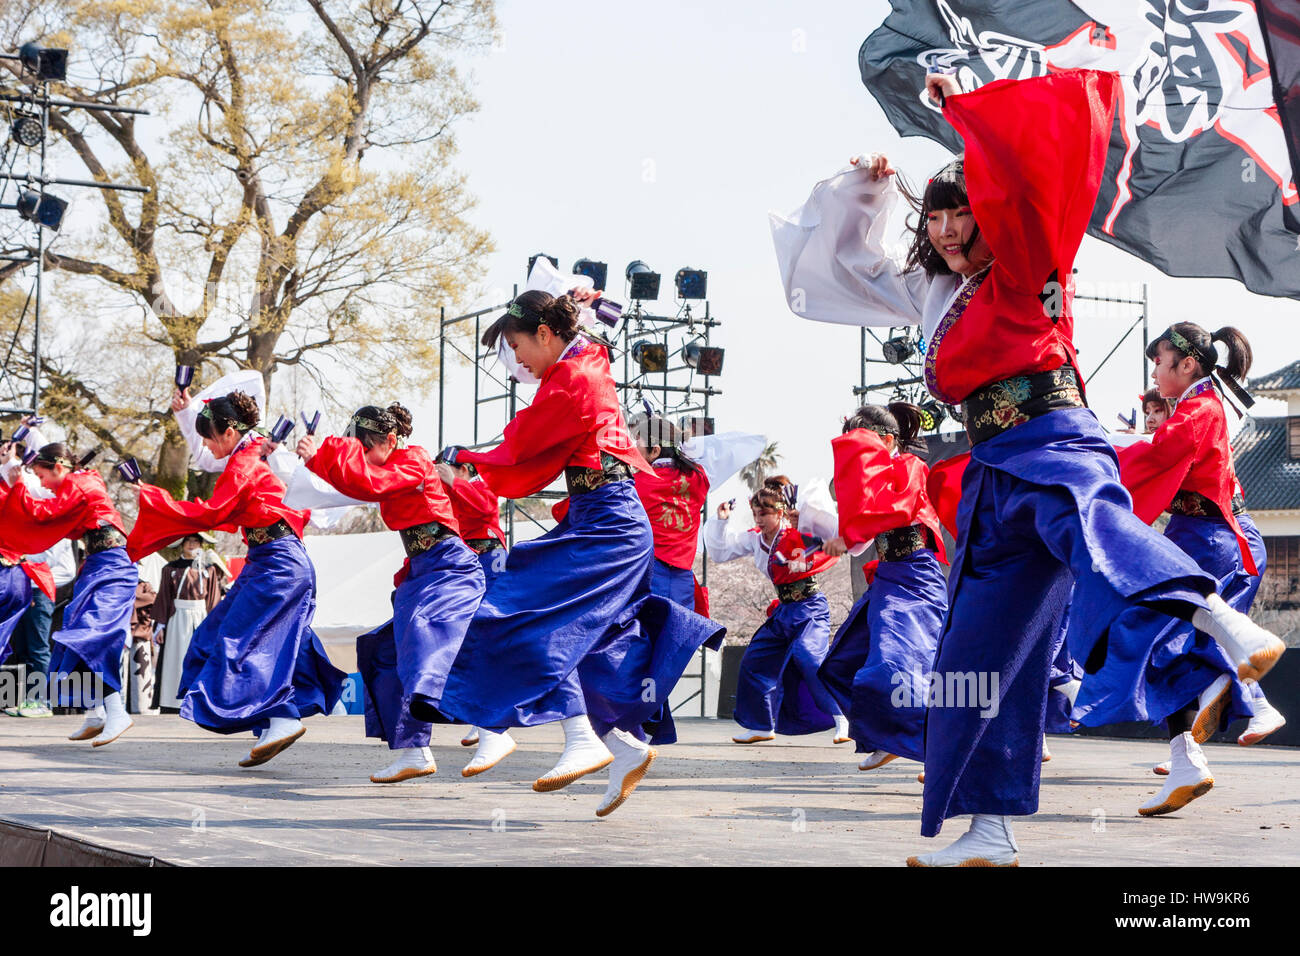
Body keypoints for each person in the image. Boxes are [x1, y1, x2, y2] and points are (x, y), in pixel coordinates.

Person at [771, 68, 1285, 866]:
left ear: (990, 212)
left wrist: (959, 118)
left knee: (1094, 531)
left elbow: (1030, 180)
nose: (947, 230)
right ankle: (991, 830)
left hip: (1053, 439)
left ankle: (1220, 618)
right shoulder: (938, 295)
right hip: (991, 474)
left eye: (962, 213)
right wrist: (869, 190)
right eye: (935, 217)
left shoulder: (1028, 263)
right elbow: (848, 268)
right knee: (973, 660)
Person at [436, 289, 724, 817]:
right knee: (591, 642)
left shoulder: (574, 378)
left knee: (516, 605)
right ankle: (620, 746)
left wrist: (469, 458)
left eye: (518, 344)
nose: (516, 360)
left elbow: (522, 444)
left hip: (608, 524)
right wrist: (581, 305)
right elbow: (575, 356)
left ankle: (527, 731)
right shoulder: (584, 361)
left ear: (545, 334)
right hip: (605, 520)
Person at [1075, 323, 1281, 810]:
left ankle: (1242, 710)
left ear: (1186, 364)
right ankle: (1190, 755)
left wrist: (1102, 451)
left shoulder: (1202, 407)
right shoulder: (1197, 406)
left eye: (1159, 361)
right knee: (1160, 649)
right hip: (1195, 536)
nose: (1154, 371)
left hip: (1208, 542)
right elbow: (1159, 450)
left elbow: (1161, 453)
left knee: (1149, 639)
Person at [126, 388, 346, 767]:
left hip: (278, 565)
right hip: (275, 561)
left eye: (209, 437)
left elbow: (213, 513)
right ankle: (272, 724)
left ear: (228, 432)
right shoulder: (257, 453)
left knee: (237, 642)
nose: (206, 447)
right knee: (218, 640)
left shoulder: (246, 461)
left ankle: (281, 719)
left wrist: (152, 497)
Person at [297, 403, 486, 784]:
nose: (363, 457)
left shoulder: (414, 460)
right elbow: (356, 482)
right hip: (421, 571)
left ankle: (495, 730)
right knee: (383, 652)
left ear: (390, 439)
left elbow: (369, 482)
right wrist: (317, 458)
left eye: (366, 448)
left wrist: (325, 451)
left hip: (449, 567)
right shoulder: (386, 466)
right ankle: (413, 750)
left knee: (431, 642)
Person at [815, 403, 948, 772]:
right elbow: (860, 532)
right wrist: (841, 534)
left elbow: (898, 511)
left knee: (893, 668)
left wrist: (850, 535)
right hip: (889, 577)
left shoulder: (910, 467)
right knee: (839, 667)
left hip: (915, 577)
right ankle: (886, 738)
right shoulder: (872, 478)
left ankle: (935, 748)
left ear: (888, 440)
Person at [628, 411, 766, 743]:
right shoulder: (699, 480)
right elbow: (724, 449)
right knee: (664, 656)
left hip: (651, 579)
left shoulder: (638, 483)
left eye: (638, 443)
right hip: (683, 586)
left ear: (656, 451)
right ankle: (648, 723)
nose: (632, 448)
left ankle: (642, 722)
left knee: (636, 652)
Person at [0, 442, 136, 747]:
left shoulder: (79, 483)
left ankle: (116, 711)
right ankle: (95, 712)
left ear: (58, 468)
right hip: (97, 565)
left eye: (43, 476)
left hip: (113, 566)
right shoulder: (82, 482)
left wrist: (18, 481)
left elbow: (44, 514)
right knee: (71, 635)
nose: (44, 484)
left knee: (89, 636)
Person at [705, 477, 848, 745]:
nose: (758, 520)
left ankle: (842, 717)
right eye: (756, 514)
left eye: (764, 514)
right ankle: (761, 725)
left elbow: (832, 540)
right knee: (754, 660)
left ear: (779, 513)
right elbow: (721, 552)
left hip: (810, 609)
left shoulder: (796, 531)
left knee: (809, 658)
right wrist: (721, 520)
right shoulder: (756, 540)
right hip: (783, 612)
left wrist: (802, 523)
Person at [151, 533, 229, 712]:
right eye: (189, 541)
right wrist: (161, 626)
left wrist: (213, 626)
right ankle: (172, 702)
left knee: (200, 657)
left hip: (200, 617)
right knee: (175, 659)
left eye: (196, 541)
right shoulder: (170, 569)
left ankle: (199, 700)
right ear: (182, 544)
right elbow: (164, 597)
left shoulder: (208, 570)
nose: (192, 545)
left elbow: (213, 600)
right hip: (177, 618)